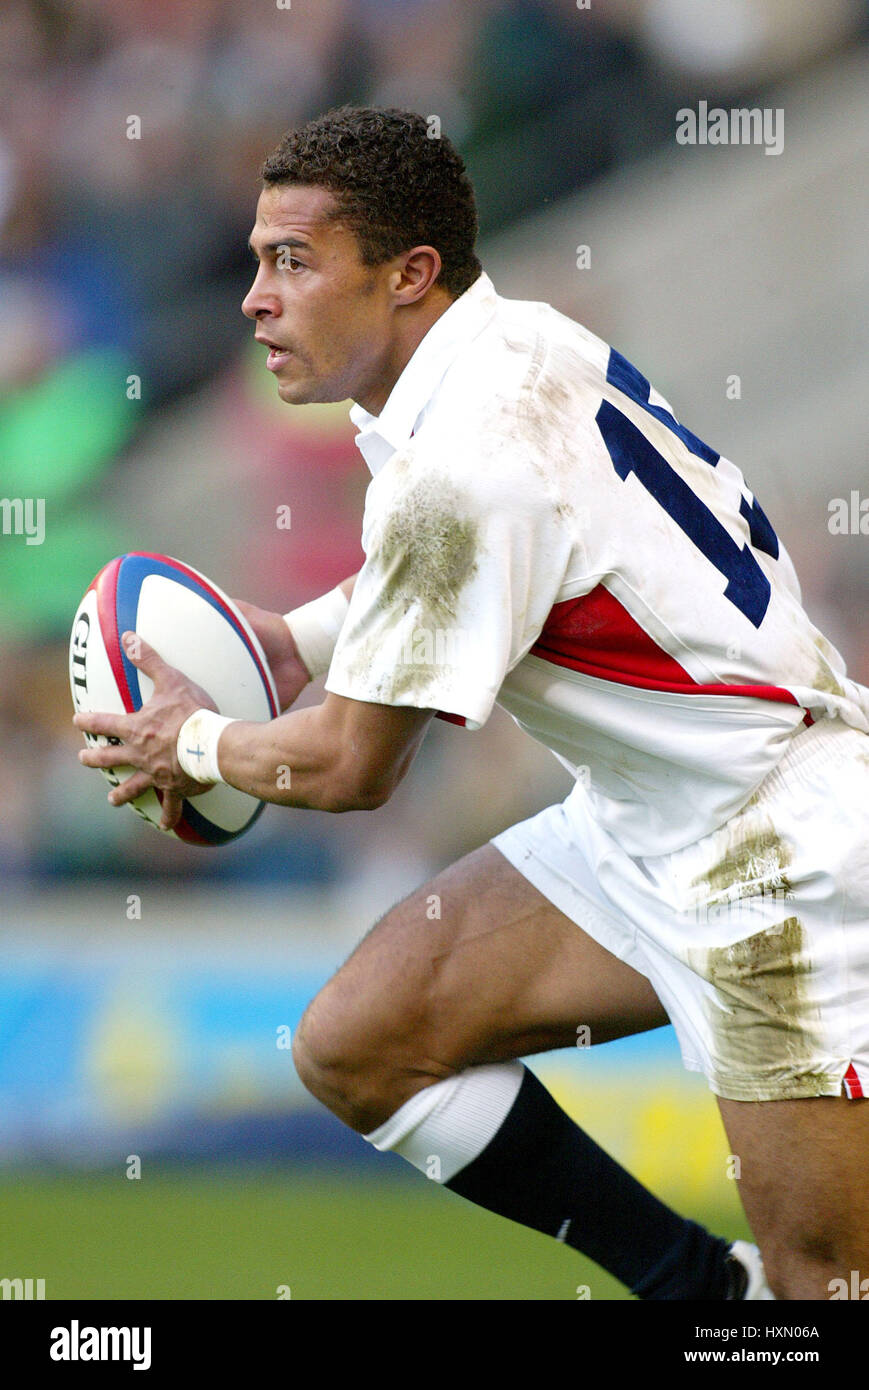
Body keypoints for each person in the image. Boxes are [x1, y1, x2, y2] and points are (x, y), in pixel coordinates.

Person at [75, 106, 869, 1301]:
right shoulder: (510, 350)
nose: (253, 297)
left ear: (409, 276)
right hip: (647, 819)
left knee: (830, 1290)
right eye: (254, 259)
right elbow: (487, 558)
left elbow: (351, 768)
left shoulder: (460, 465)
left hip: (769, 854)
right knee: (362, 1042)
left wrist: (192, 741)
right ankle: (699, 1291)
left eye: (292, 261)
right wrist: (292, 640)